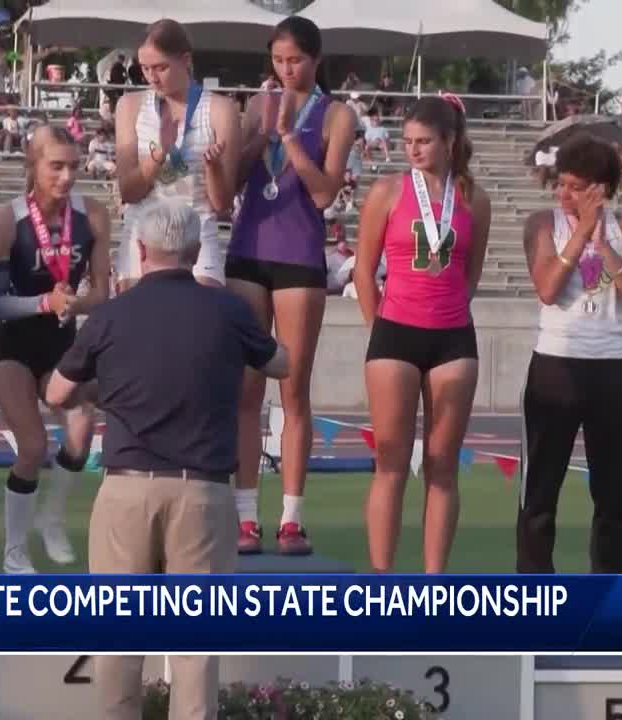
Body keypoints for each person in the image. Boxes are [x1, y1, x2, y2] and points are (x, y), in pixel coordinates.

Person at [43, 200, 289, 720]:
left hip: (128, 487)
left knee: (119, 644)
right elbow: (282, 364)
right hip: (202, 490)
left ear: (139, 249)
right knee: (195, 651)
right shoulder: (228, 311)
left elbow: (58, 392)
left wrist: (102, 388)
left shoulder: (110, 314)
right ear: (197, 252)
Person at [227, 16, 356, 556]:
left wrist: (288, 137)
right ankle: (245, 517)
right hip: (247, 253)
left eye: (296, 60)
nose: (286, 70)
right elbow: (229, 184)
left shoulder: (337, 114)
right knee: (246, 392)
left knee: (293, 388)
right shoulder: (256, 105)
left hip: (300, 257)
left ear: (315, 60)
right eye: (278, 60)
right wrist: (261, 135)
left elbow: (325, 193)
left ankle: (291, 519)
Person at [352, 95, 491, 573]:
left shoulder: (474, 198)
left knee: (442, 465)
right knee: (390, 463)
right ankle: (381, 579)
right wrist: (380, 327)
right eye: (408, 141)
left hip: (453, 337)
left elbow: (471, 274)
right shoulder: (387, 192)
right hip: (395, 335)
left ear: (450, 142)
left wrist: (447, 309)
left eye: (424, 141)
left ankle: (434, 581)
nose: (413, 149)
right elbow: (363, 272)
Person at [516, 135, 622, 574]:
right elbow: (548, 289)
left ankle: (605, 591)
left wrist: (603, 242)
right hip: (556, 364)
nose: (563, 193)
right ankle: (534, 592)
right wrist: (578, 234)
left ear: (600, 188)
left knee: (612, 497)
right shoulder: (542, 223)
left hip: (613, 367)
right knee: (540, 492)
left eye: (575, 186)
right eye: (561, 183)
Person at [0, 126, 111, 574]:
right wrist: (44, 301)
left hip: (61, 341)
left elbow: (102, 293)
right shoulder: (5, 221)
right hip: (13, 343)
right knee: (32, 445)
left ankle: (52, 518)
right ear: (33, 167)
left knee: (81, 431)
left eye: (74, 165)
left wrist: (77, 302)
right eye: (56, 166)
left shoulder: (92, 215)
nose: (67, 175)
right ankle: (14, 552)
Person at [113, 19, 240, 291]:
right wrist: (159, 153)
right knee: (133, 317)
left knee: (199, 314)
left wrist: (213, 167)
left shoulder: (220, 108)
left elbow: (222, 204)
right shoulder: (130, 105)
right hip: (144, 225)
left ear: (185, 60)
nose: (152, 78)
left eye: (161, 67)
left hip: (196, 226)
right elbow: (129, 192)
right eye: (145, 68)